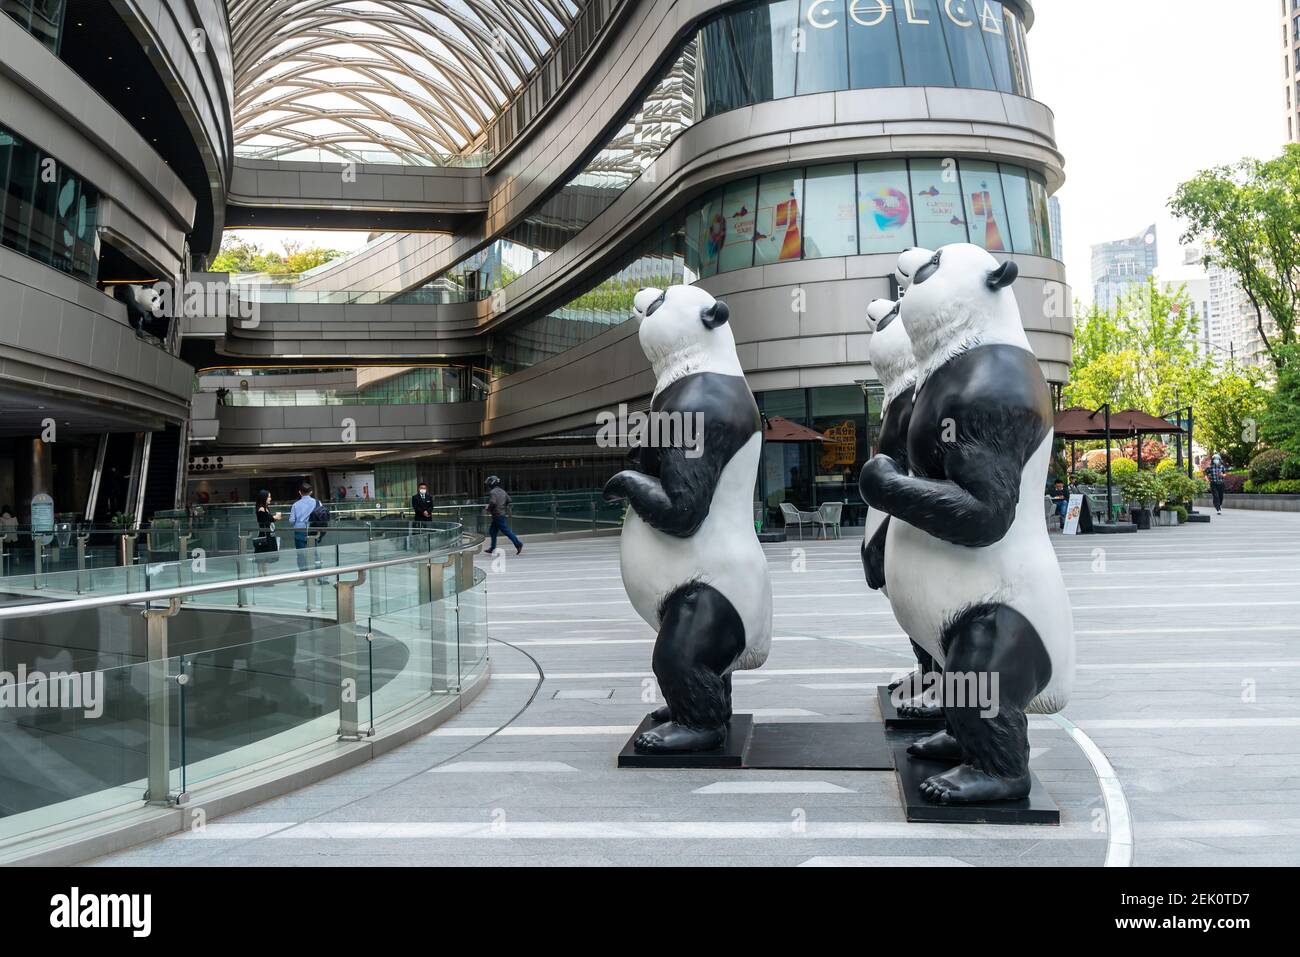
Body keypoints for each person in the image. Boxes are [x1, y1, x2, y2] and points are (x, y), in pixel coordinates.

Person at [484, 475, 522, 555]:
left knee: (506, 531)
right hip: (500, 514)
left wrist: (488, 508)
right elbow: (509, 500)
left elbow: (493, 503)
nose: (488, 484)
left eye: (489, 483)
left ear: (492, 483)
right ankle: (492, 548)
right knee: (492, 531)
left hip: (497, 515)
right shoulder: (502, 491)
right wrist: (502, 506)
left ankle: (518, 544)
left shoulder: (493, 492)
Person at [289, 482, 321, 575]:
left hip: (299, 530)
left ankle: (304, 576)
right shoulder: (317, 502)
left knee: (301, 554)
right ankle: (319, 575)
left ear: (300, 492)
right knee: (314, 552)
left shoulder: (295, 505)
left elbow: (291, 520)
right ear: (311, 492)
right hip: (312, 530)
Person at [253, 490, 281, 577]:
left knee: (264, 556)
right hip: (264, 533)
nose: (270, 498)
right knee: (262, 555)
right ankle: (262, 575)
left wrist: (274, 518)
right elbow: (266, 519)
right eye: (268, 497)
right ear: (264, 498)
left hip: (268, 532)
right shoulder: (261, 508)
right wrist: (275, 517)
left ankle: (264, 575)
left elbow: (270, 519)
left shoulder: (266, 508)